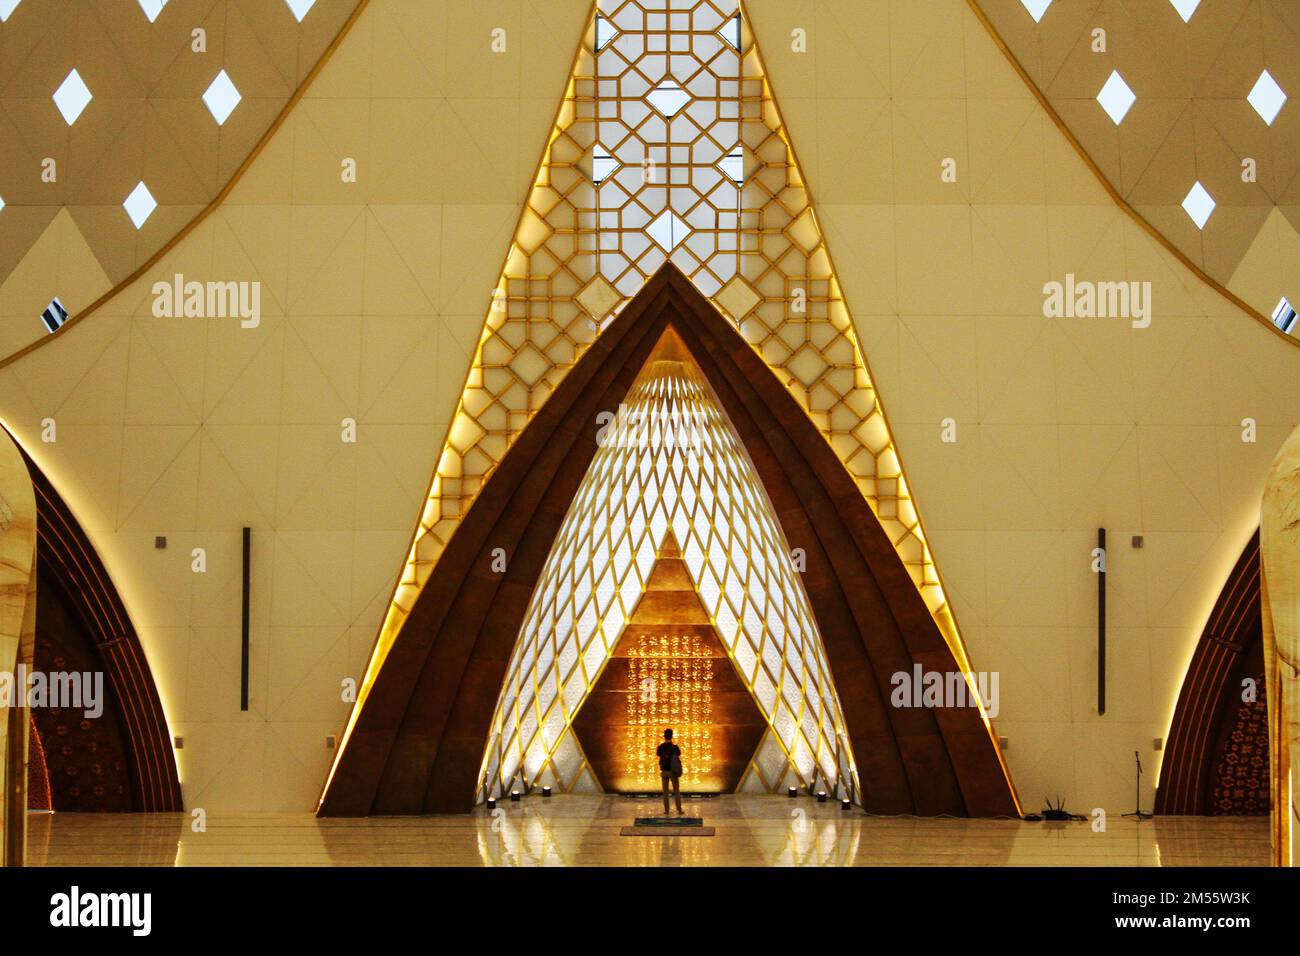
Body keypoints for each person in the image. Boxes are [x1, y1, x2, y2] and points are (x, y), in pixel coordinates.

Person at [656, 728, 684, 815]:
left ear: (664, 736)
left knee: (665, 792)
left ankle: (667, 810)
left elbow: (658, 754)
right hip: (673, 772)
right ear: (672, 736)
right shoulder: (674, 747)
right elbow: (679, 754)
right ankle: (679, 810)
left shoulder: (660, 747)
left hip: (664, 771)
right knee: (676, 791)